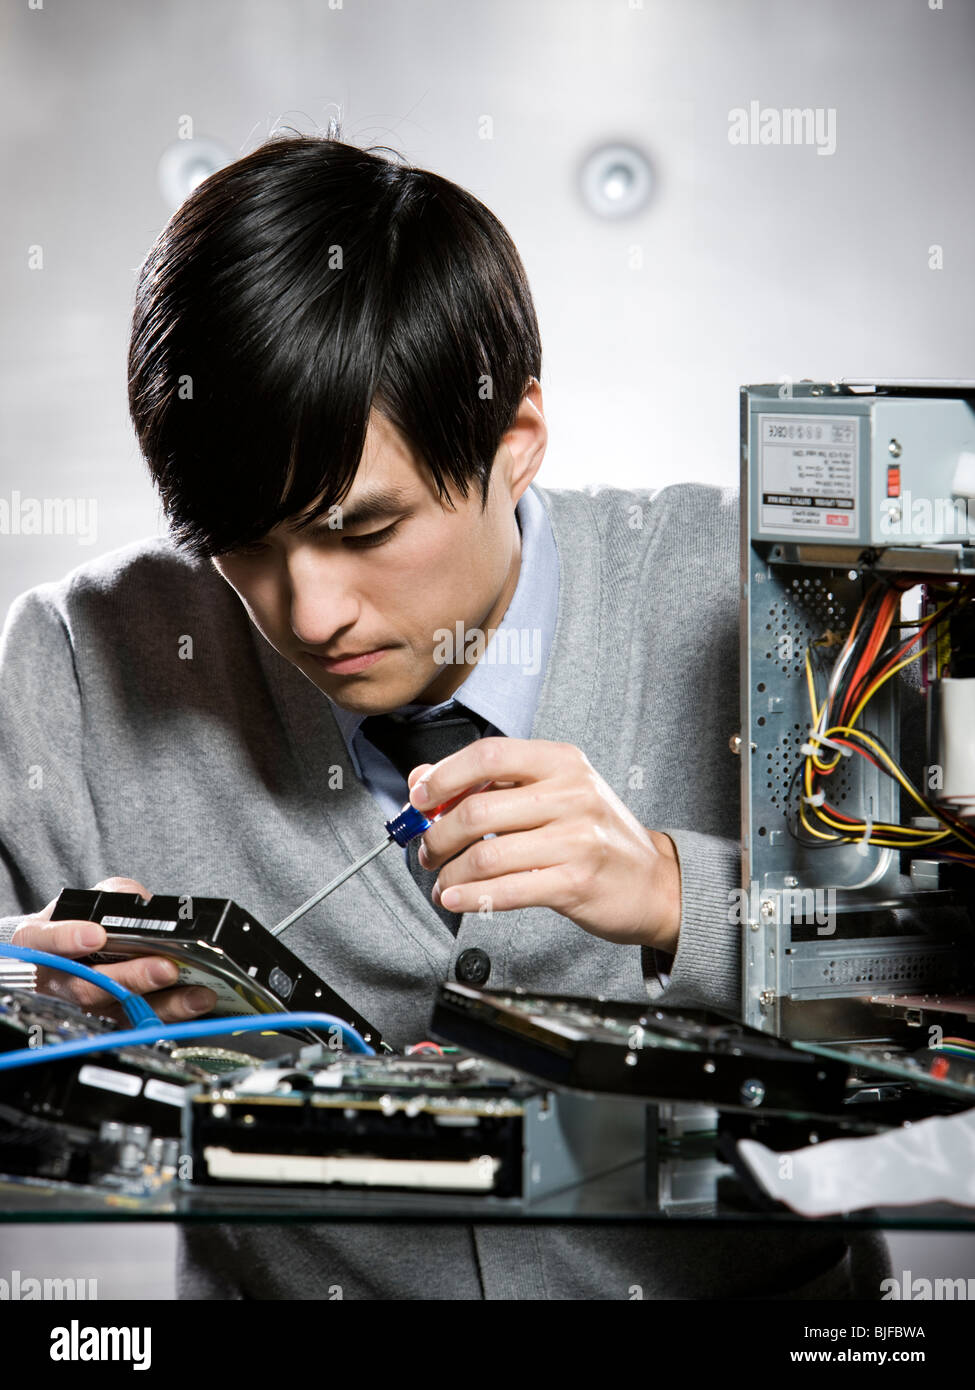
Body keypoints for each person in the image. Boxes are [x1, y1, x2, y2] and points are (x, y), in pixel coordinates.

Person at [0, 132, 890, 1299]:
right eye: (241, 549)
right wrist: (27, 1010)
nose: (310, 612)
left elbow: (946, 972)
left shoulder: (780, 599)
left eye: (366, 530)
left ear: (514, 439)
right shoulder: (74, 662)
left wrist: (685, 893)